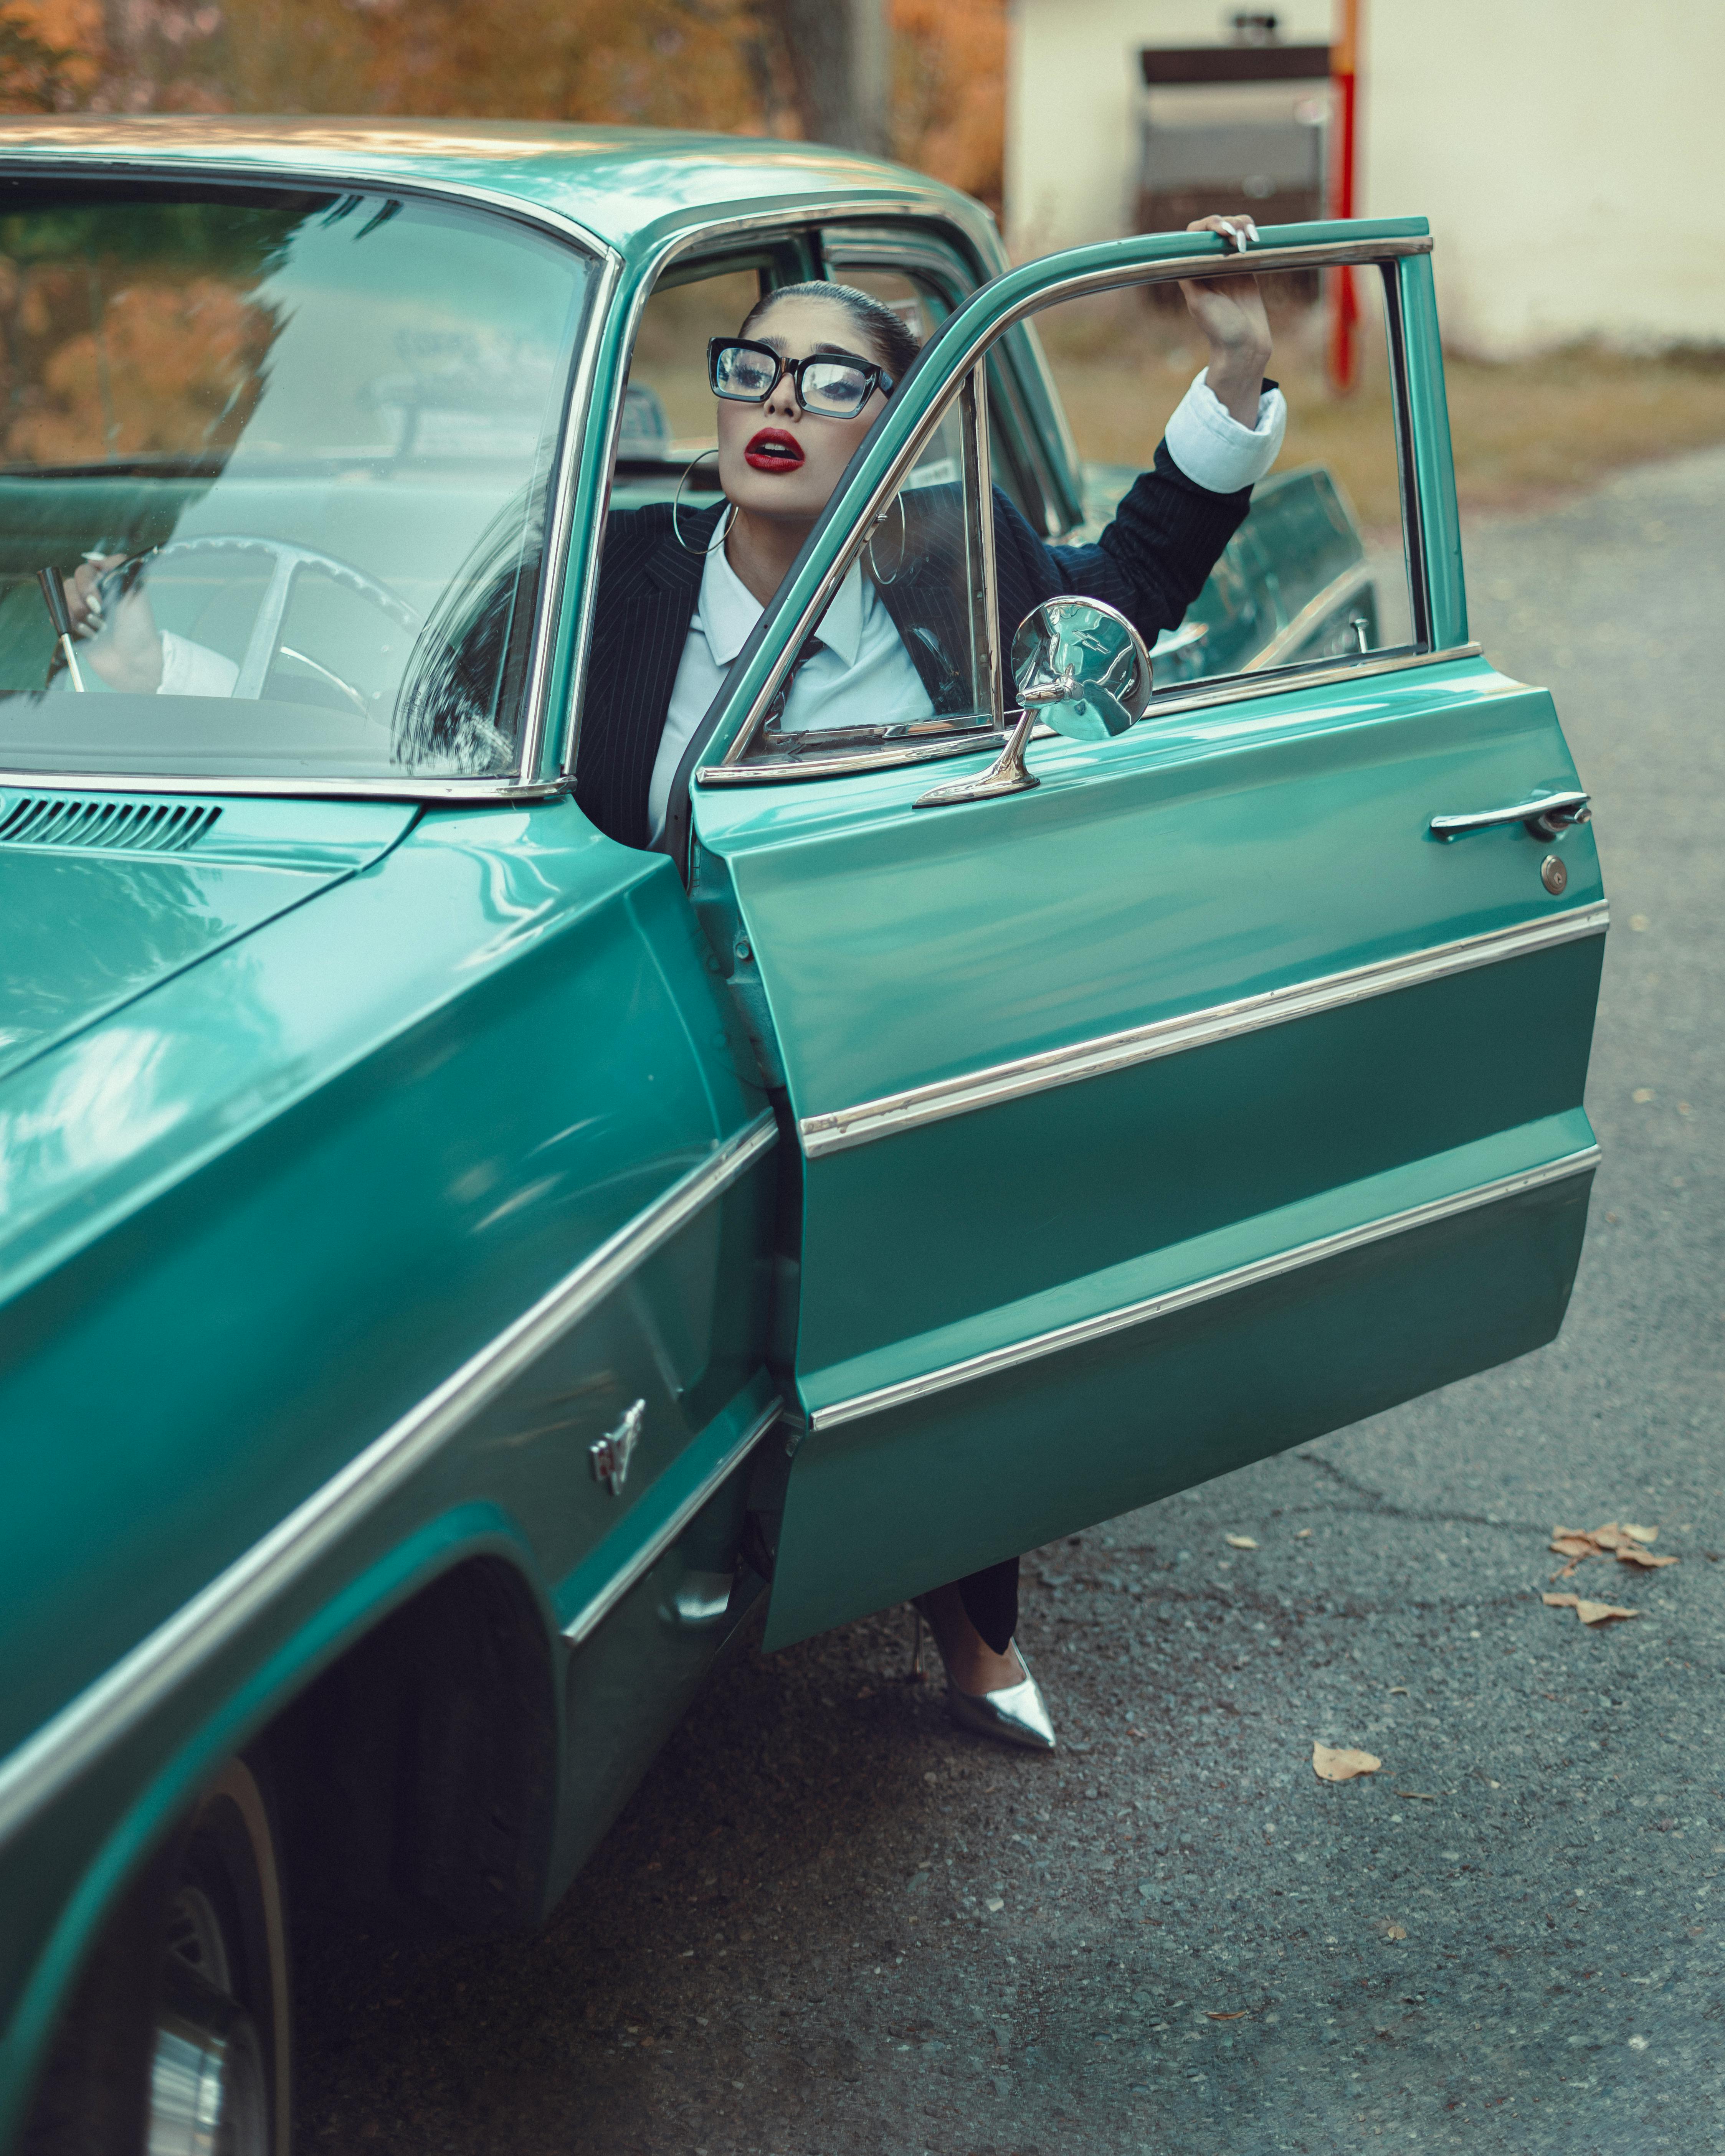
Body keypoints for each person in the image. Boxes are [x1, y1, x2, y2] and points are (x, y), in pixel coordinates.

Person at [575, 214, 1286, 1752]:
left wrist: (1231, 362)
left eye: (831, 383)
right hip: (645, 1032)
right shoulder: (615, 576)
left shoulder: (959, 574)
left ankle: (966, 1629)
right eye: (752, 368)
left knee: (929, 1262)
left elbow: (1136, 580)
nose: (776, 400)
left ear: (894, 430)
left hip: (873, 1025)